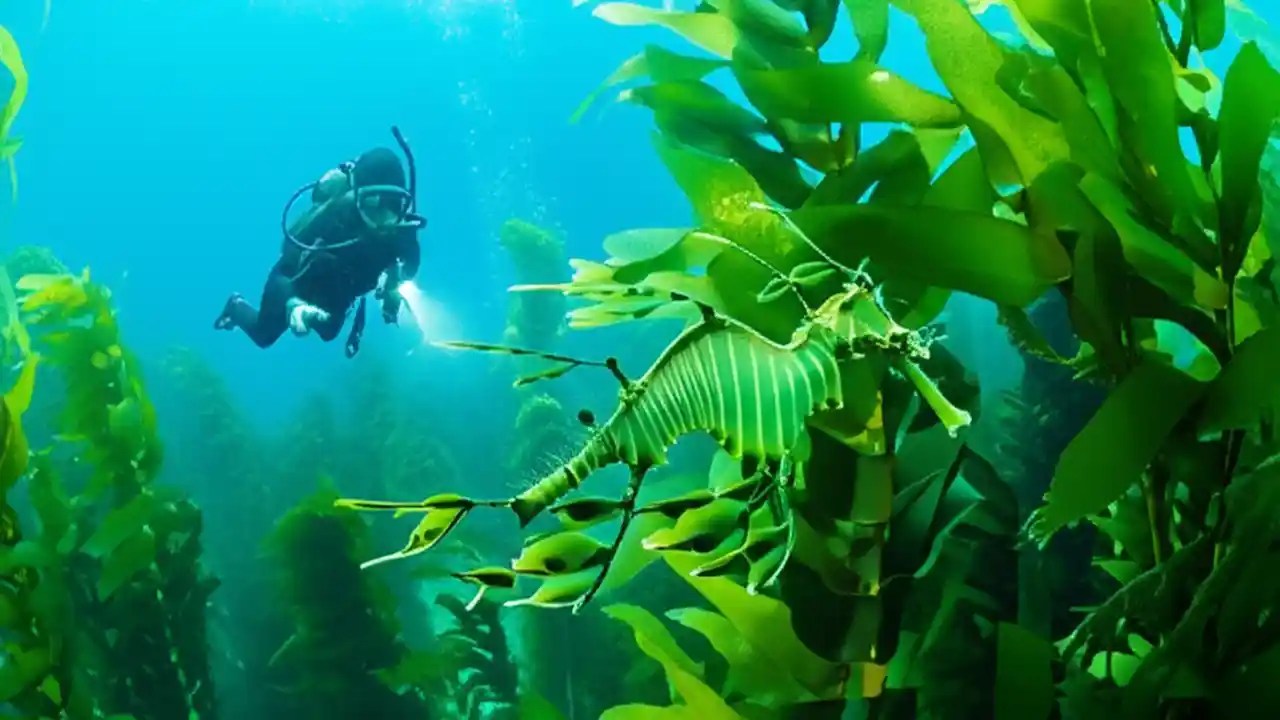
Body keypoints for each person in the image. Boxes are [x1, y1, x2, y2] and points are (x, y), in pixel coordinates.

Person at [214, 126, 426, 358]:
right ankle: (235, 307)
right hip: (300, 279)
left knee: (328, 331)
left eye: (394, 204)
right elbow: (285, 266)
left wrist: (393, 281)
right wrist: (293, 305)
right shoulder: (335, 217)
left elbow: (410, 266)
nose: (384, 218)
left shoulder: (403, 230)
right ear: (357, 199)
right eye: (373, 204)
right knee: (264, 336)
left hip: (340, 288)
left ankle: (308, 313)